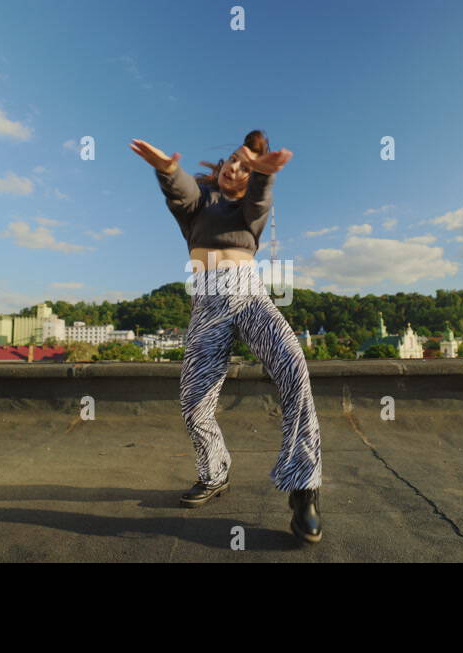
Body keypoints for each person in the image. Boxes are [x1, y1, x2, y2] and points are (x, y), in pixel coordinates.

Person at [129, 129, 322, 543]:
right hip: (208, 305)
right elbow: (181, 193)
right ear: (222, 165)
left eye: (246, 166)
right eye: (233, 159)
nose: (236, 167)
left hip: (250, 295)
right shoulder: (200, 205)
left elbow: (259, 201)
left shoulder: (249, 211)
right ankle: (214, 473)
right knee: (194, 403)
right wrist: (168, 169)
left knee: (294, 371)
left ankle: (304, 488)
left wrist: (264, 177)